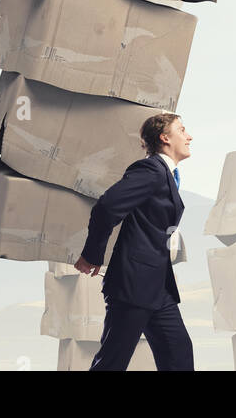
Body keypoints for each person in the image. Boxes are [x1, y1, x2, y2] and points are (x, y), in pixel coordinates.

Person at [74, 112, 194, 371]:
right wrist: (93, 255)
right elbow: (107, 207)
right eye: (182, 130)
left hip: (158, 287)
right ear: (165, 138)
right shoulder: (151, 170)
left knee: (179, 355)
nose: (189, 136)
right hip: (133, 284)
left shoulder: (166, 174)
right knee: (112, 363)